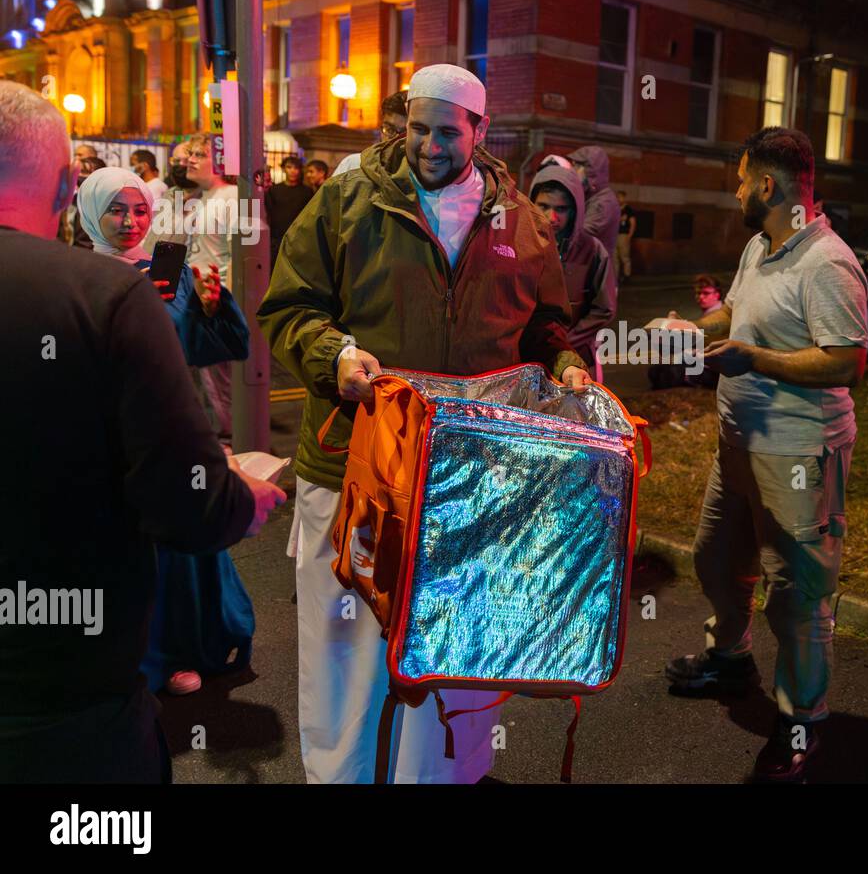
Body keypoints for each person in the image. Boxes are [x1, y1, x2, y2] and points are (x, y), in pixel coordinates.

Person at [259, 63, 592, 784]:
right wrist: (336, 355)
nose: (429, 146)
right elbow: (288, 308)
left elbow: (543, 327)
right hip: (354, 465)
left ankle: (441, 777)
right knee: (345, 648)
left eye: (448, 131)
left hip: (475, 480)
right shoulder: (345, 200)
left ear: (481, 130)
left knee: (457, 648)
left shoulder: (522, 222)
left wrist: (564, 365)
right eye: (418, 128)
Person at [0, 81, 284, 783]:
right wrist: (244, 501)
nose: (129, 221)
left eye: (138, 208)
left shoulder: (142, 283)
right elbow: (185, 503)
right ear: (71, 188)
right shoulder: (103, 295)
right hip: (64, 703)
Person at [664, 127, 868, 783]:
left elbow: (848, 360)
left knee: (798, 595)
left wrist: (757, 359)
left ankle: (800, 722)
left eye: (741, 177)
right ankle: (730, 655)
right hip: (739, 443)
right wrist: (687, 332)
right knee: (718, 557)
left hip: (800, 453)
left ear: (768, 186)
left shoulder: (828, 262)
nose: (735, 188)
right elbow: (732, 311)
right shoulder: (760, 245)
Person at [75, 166, 255, 697]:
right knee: (114, 547)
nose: (130, 221)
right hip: (101, 435)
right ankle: (115, 655)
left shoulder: (170, 266)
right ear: (88, 212)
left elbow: (211, 347)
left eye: (139, 210)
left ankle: (179, 650)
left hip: (168, 429)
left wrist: (213, 305)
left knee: (176, 546)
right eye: (115, 209)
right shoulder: (69, 273)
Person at [182, 132, 244, 443]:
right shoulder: (202, 198)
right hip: (199, 301)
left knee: (222, 382)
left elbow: (239, 256)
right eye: (190, 153)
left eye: (199, 154)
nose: (189, 159)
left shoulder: (232, 197)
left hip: (216, 302)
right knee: (208, 379)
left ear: (220, 160)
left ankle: (233, 440)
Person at [530, 163, 615, 374]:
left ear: (575, 208)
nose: (552, 218)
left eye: (561, 209)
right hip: (528, 356)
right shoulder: (519, 244)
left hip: (576, 356)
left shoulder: (592, 250)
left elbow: (604, 308)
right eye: (543, 206)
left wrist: (565, 342)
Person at [648, 274, 724, 390]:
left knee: (663, 374)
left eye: (706, 293)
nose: (701, 297)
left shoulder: (718, 317)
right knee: (657, 371)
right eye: (698, 293)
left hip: (713, 370)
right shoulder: (710, 313)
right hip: (703, 363)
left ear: (717, 294)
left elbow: (707, 349)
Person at [333, 91, 409, 178]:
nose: (394, 139)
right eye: (390, 130)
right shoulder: (353, 166)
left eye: (404, 134)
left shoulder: (421, 180)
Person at [567, 146, 620, 260]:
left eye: (576, 166)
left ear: (590, 170)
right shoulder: (592, 197)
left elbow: (580, 237)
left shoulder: (603, 202)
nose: (572, 171)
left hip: (595, 271)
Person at [265, 155, 314, 263]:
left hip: (298, 238)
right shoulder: (274, 190)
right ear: (283, 169)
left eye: (296, 168)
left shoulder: (307, 192)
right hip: (276, 238)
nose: (293, 171)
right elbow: (268, 214)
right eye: (289, 167)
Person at [616, 189, 635, 283]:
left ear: (624, 198)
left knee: (624, 256)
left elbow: (633, 223)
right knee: (614, 258)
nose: (618, 199)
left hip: (623, 235)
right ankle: (616, 276)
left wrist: (629, 235)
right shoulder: (615, 208)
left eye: (620, 197)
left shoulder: (628, 209)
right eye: (617, 197)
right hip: (614, 235)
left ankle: (627, 276)